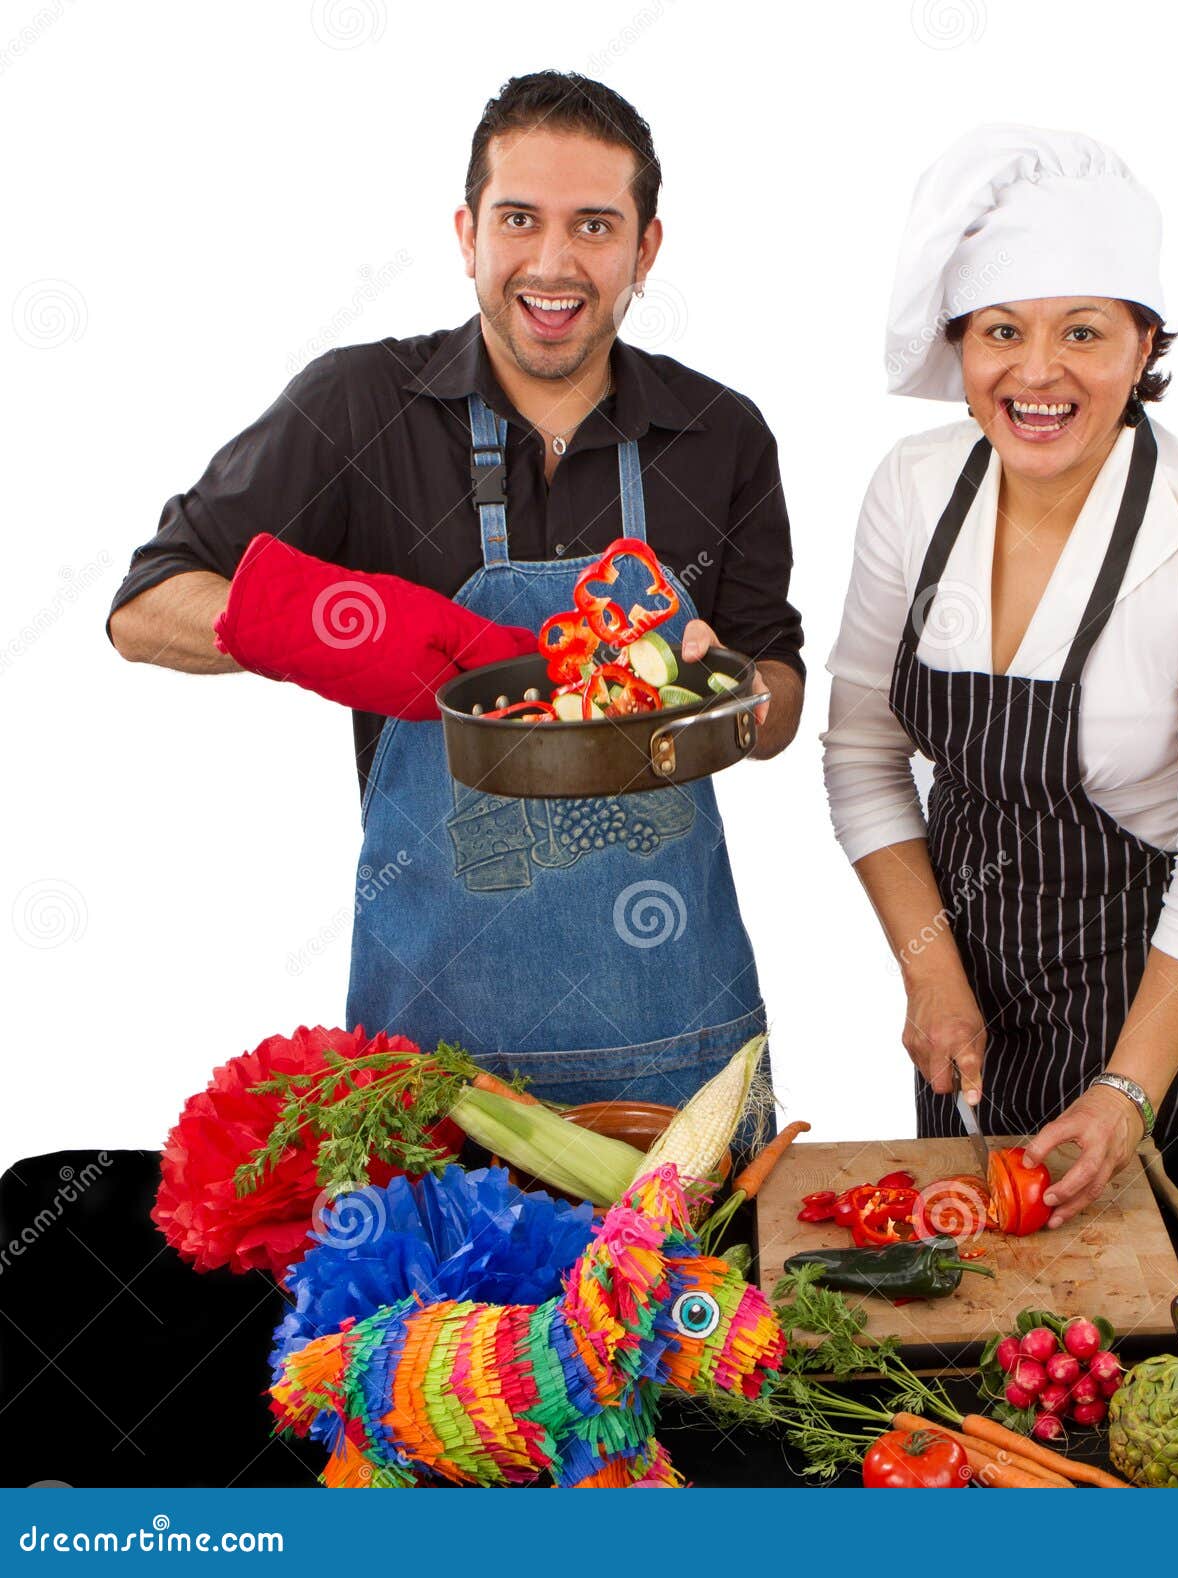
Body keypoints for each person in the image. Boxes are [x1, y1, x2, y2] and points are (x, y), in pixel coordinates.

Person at [108, 72, 804, 1118]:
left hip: (677, 1034)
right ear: (466, 232)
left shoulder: (723, 434)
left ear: (645, 250)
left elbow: (779, 690)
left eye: (594, 225)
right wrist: (346, 630)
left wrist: (729, 694)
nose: (553, 262)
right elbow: (146, 602)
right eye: (518, 219)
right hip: (431, 1047)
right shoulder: (358, 408)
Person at [822, 125, 1178, 1223]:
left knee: (1165, 1336)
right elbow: (860, 752)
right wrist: (929, 970)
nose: (1035, 374)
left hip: (1158, 1011)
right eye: (1001, 331)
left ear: (1142, 344)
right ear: (961, 347)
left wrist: (1127, 1089)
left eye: (1081, 332)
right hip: (969, 991)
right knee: (971, 1314)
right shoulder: (912, 489)